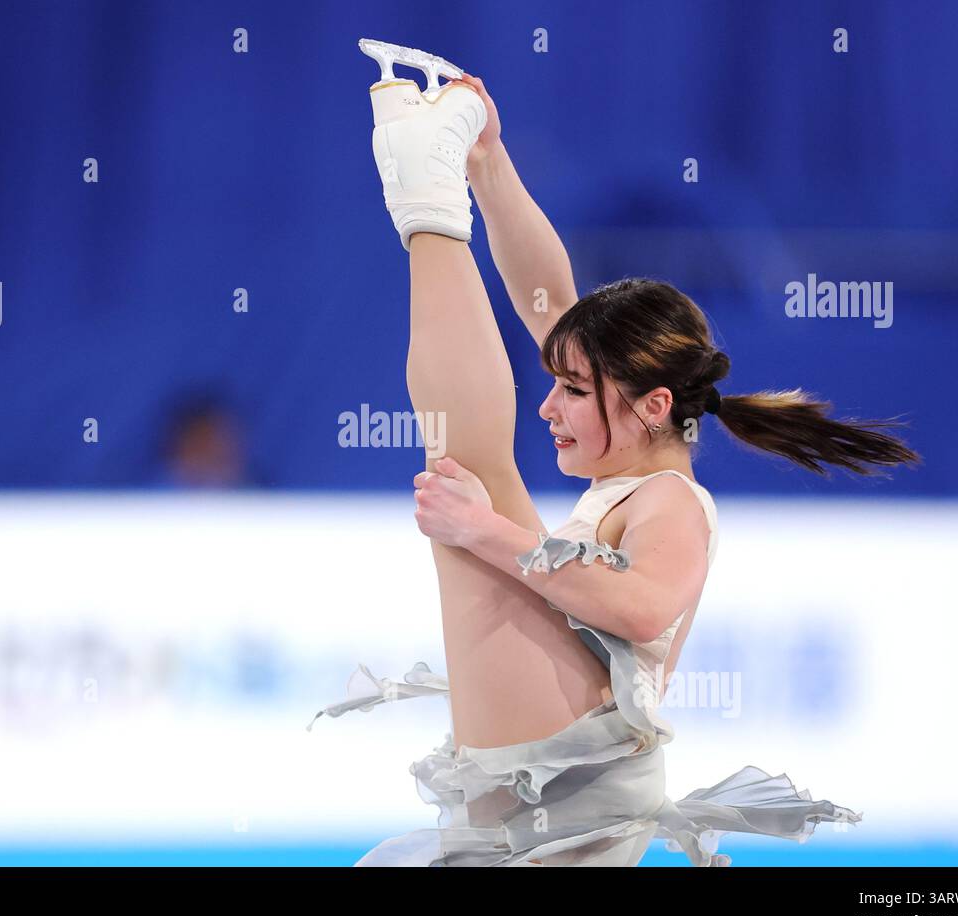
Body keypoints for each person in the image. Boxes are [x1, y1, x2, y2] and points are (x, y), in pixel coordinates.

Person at [307, 41, 919, 867]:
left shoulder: (672, 499)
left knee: (471, 476)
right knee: (471, 472)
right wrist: (491, 163)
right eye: (556, 387)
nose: (550, 407)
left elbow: (641, 610)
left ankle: (424, 197)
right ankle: (433, 189)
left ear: (653, 405)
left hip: (582, 773)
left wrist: (484, 530)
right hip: (570, 778)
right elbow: (549, 301)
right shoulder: (634, 472)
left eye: (571, 392)